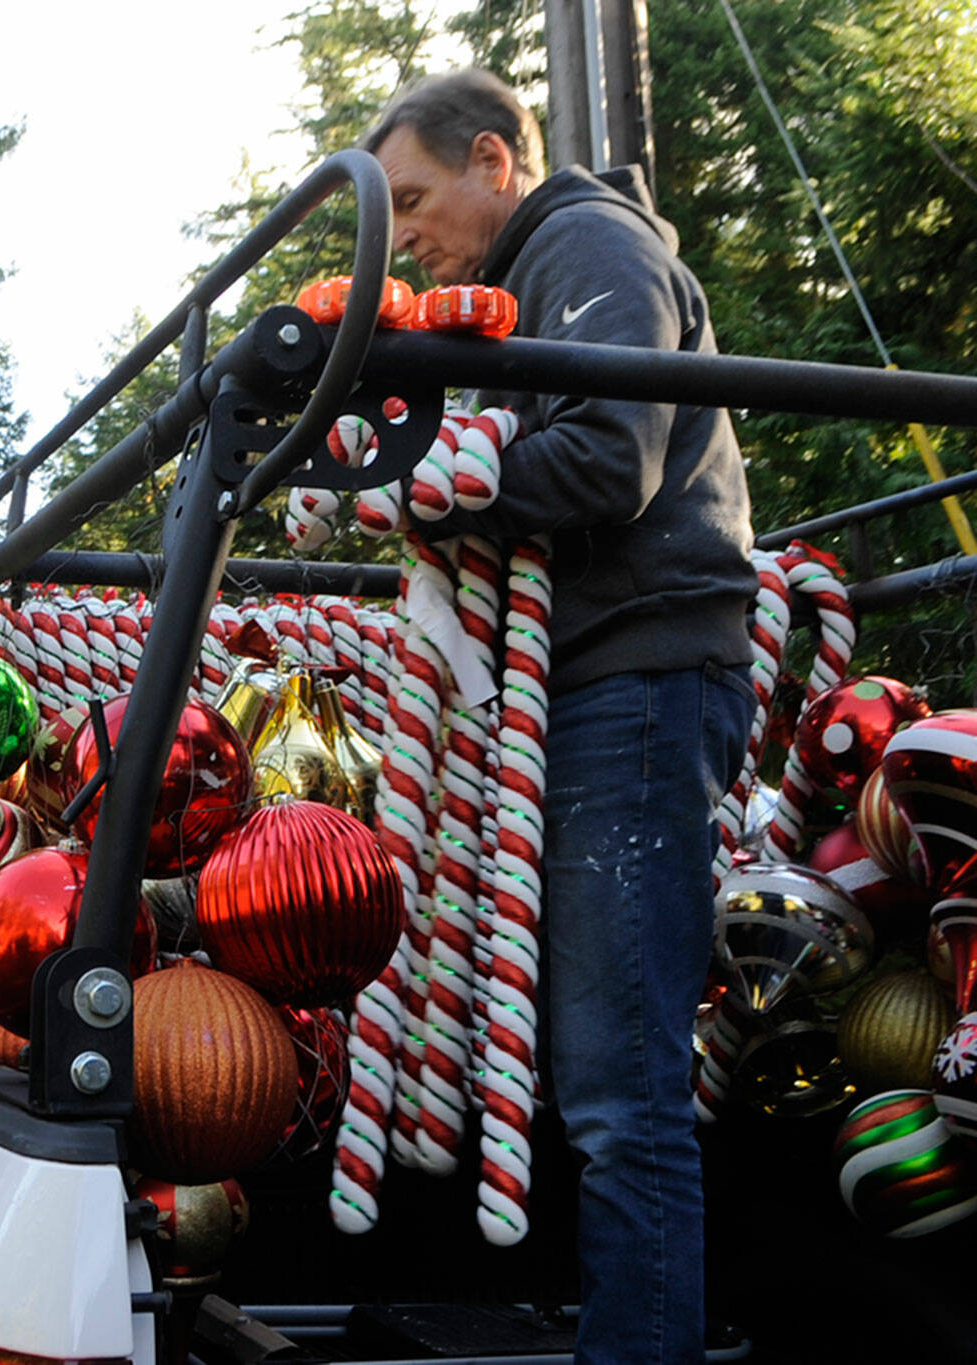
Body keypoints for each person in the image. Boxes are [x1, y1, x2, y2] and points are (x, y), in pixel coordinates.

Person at [360, 71, 757, 1363]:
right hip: (576, 689)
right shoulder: (510, 292)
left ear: (493, 161)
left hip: (635, 685)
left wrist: (428, 489)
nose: (403, 236)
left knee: (617, 1083)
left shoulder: (587, 244)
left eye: (411, 200)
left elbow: (605, 456)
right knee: (591, 1068)